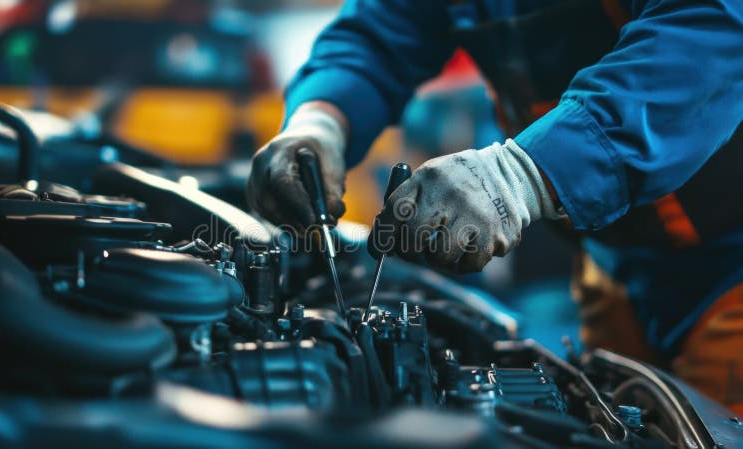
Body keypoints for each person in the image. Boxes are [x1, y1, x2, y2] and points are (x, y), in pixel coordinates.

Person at [246, 1, 743, 412]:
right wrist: (321, 119)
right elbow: (378, 34)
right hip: (615, 264)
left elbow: (706, 41)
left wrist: (522, 174)